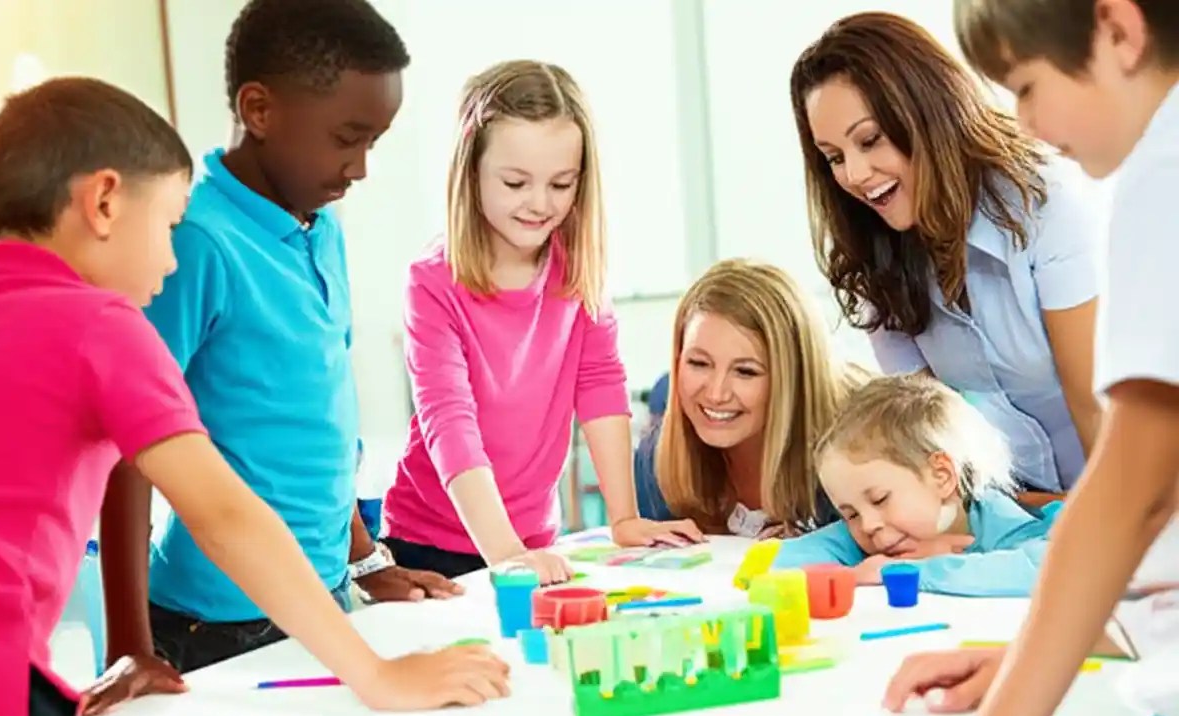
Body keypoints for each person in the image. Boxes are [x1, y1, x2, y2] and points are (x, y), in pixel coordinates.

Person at [0, 77, 508, 716]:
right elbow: (224, 515)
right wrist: (379, 676)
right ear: (104, 202)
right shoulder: (104, 327)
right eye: (167, 225)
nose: (170, 260)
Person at [86, 0, 470, 711]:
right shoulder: (193, 240)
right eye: (347, 138)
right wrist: (129, 643)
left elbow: (321, 422)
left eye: (374, 142)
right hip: (216, 623)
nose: (360, 167)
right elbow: (128, 449)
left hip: (320, 601)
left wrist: (364, 560)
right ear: (259, 110)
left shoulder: (320, 227)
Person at [883, 0, 1179, 716]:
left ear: (1119, 31)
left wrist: (1015, 703)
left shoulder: (1162, 173)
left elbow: (1133, 488)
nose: (1021, 121)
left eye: (1024, 85)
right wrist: (1038, 655)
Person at [381, 60, 702, 586]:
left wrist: (623, 517)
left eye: (560, 184)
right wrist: (504, 553)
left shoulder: (578, 268)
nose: (539, 204)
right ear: (472, 174)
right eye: (515, 183)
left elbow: (599, 384)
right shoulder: (432, 281)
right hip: (429, 545)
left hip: (532, 541)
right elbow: (449, 420)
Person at [790, 11, 1105, 494]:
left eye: (870, 140)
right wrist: (1030, 520)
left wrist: (1111, 532)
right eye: (833, 157)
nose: (854, 173)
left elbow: (1096, 407)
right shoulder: (874, 260)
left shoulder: (1041, 203)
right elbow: (932, 444)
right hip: (1014, 518)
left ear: (926, 113)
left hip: (1125, 501)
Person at [773, 375, 1058, 597]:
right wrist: (853, 576)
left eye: (880, 499)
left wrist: (907, 571)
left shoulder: (1021, 527)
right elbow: (781, 565)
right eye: (851, 514)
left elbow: (1053, 569)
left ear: (942, 476)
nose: (868, 524)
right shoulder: (871, 540)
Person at [634, 260, 858, 539]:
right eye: (699, 363)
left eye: (745, 371)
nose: (716, 394)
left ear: (793, 377)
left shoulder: (861, 452)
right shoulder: (653, 465)